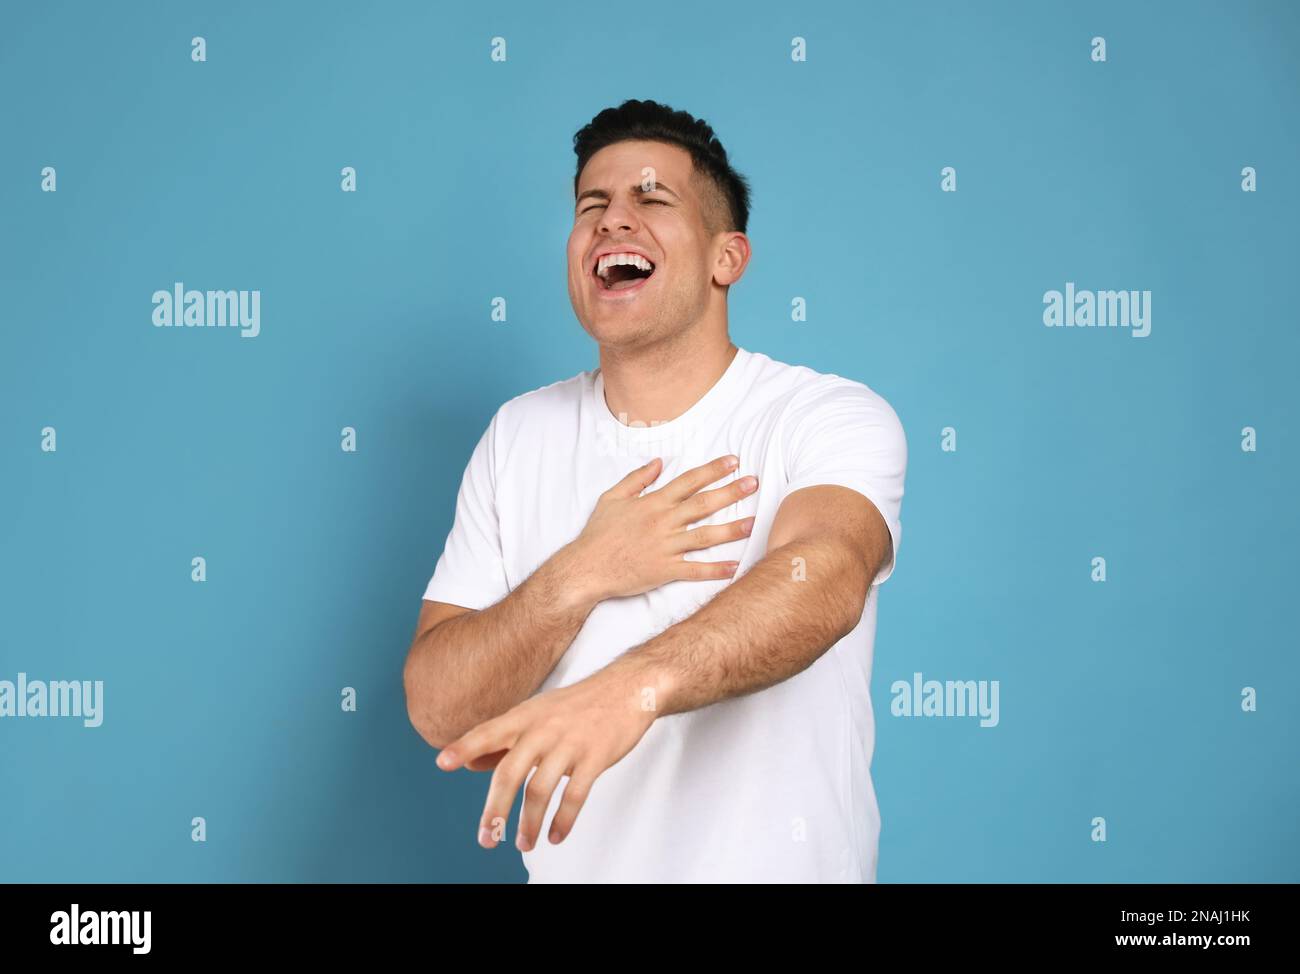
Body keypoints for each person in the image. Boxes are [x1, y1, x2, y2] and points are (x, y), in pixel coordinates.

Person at [403, 99, 908, 883]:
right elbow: (439, 708)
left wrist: (632, 689)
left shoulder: (824, 416)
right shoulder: (518, 435)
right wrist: (584, 571)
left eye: (650, 199)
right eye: (591, 206)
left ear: (725, 258)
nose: (612, 222)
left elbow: (829, 576)